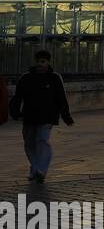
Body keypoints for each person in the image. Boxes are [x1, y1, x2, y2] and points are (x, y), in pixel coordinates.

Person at [8, 50, 74, 183]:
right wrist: (16, 114)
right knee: (29, 144)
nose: (40, 64)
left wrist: (66, 117)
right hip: (29, 117)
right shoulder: (26, 78)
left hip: (47, 117)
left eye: (43, 62)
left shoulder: (55, 78)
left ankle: (41, 170)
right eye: (38, 61)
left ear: (48, 62)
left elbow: (61, 98)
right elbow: (18, 97)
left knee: (42, 141)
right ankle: (35, 168)